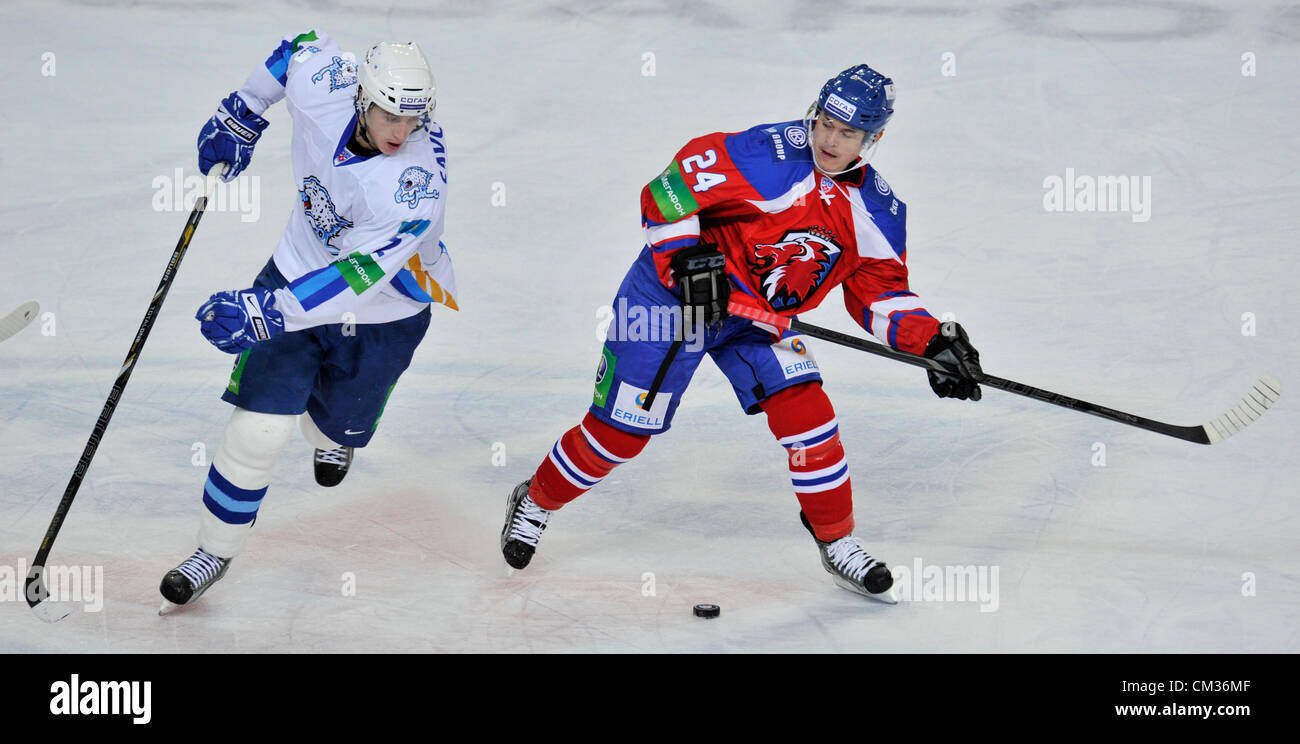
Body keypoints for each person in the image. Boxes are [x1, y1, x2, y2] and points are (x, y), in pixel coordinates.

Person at [500, 64, 983, 603]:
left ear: (874, 139)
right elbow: (667, 192)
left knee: (811, 419)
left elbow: (879, 294)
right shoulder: (765, 154)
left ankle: (838, 541)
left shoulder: (877, 211)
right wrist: (687, 258)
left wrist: (931, 344)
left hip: (758, 318)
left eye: (847, 133)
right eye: (825, 122)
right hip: (671, 300)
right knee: (622, 433)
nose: (828, 139)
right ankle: (536, 500)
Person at [159, 29, 456, 612]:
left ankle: (333, 436)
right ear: (360, 98)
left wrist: (268, 312)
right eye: (389, 114)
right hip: (295, 272)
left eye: (412, 120)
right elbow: (293, 51)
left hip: (384, 312)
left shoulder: (414, 189)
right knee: (258, 431)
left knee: (329, 430)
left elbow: (358, 277)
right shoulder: (327, 83)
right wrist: (242, 109)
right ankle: (213, 551)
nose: (400, 132)